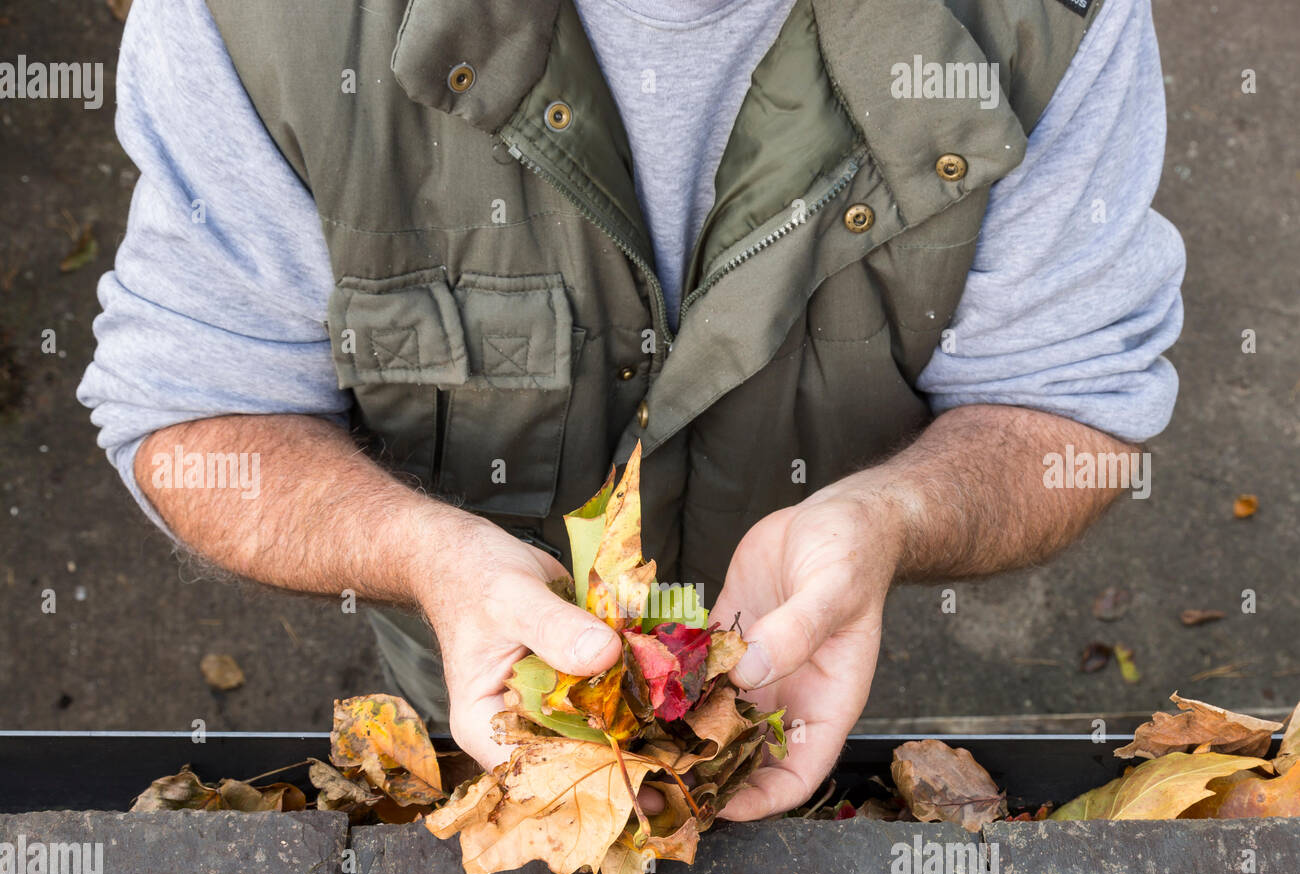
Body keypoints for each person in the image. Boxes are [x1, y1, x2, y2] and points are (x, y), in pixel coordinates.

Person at [79, 0, 1184, 820]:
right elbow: (199, 409)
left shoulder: (1048, 21)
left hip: (794, 693)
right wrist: (418, 553)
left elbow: (1061, 400)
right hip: (466, 701)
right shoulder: (258, 22)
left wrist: (893, 519)